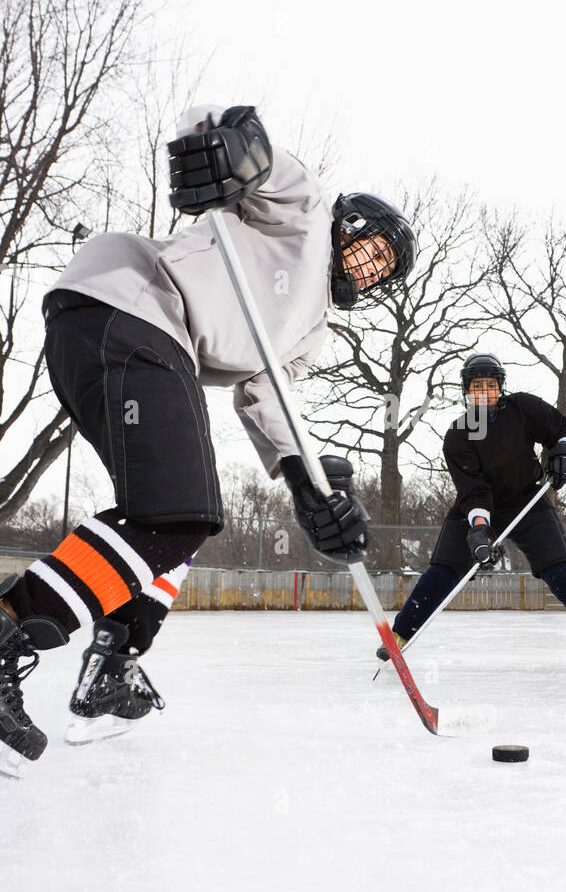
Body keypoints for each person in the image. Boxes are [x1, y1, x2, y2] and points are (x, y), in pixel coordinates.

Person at [0, 103, 416, 777]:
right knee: (182, 513)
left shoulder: (310, 332)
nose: (367, 264)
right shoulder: (304, 215)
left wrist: (308, 484)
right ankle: (14, 624)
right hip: (130, 308)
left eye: (380, 267)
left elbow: (269, 399)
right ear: (346, 224)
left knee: (171, 522)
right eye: (368, 245)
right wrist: (232, 149)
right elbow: (232, 139)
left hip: (113, 337)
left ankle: (114, 655)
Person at [378, 352, 566, 668]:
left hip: (527, 503)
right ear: (466, 390)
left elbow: (558, 428)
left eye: (490, 386)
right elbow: (473, 490)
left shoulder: (523, 408)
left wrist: (565, 449)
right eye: (476, 386)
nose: (484, 392)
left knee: (561, 570)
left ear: (500, 387)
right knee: (442, 572)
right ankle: (399, 636)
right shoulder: (458, 434)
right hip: (476, 508)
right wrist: (479, 528)